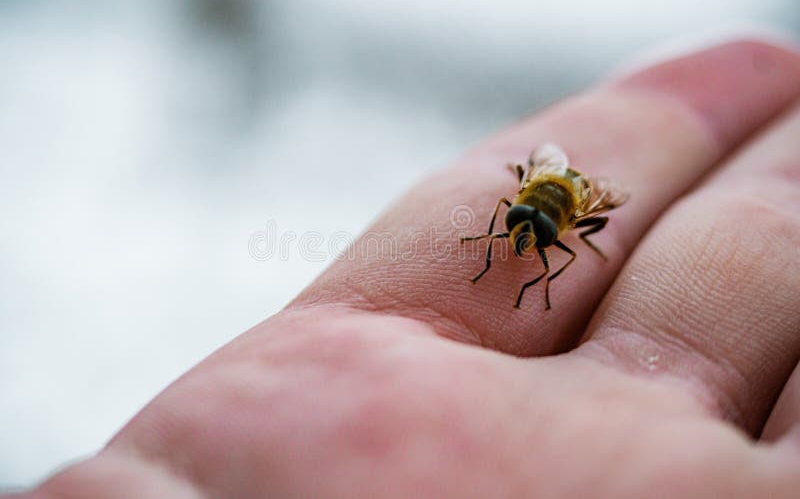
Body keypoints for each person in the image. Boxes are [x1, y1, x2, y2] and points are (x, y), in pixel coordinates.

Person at [13, 38, 800, 498]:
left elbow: (562, 218)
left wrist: (541, 255)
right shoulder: (524, 203)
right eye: (523, 222)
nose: (524, 235)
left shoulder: (568, 213)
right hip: (552, 180)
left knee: (567, 249)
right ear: (525, 202)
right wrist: (501, 234)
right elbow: (525, 194)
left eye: (532, 227)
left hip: (574, 190)